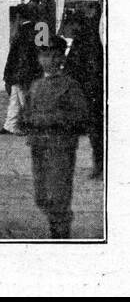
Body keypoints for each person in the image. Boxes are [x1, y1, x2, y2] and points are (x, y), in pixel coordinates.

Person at [23, 34, 91, 239]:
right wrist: (29, 121)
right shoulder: (36, 85)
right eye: (44, 55)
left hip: (60, 147)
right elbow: (27, 111)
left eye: (54, 56)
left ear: (62, 59)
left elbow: (80, 116)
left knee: (58, 196)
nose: (48, 60)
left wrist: (48, 119)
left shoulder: (70, 86)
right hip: (39, 146)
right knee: (42, 196)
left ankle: (61, 236)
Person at [61, 12, 104, 178]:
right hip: (90, 91)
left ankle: (99, 166)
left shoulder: (86, 40)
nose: (65, 31)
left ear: (74, 24)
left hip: (90, 92)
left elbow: (83, 68)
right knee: (95, 132)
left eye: (67, 26)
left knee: (96, 132)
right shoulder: (89, 36)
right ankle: (98, 165)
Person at [0, 9, 41, 134]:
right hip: (24, 72)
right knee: (15, 99)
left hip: (20, 72)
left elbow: (18, 55)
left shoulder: (22, 32)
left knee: (23, 100)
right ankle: (10, 125)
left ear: (19, 18)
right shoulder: (35, 30)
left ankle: (29, 125)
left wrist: (11, 73)